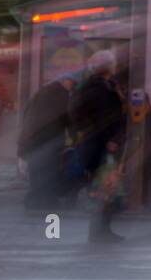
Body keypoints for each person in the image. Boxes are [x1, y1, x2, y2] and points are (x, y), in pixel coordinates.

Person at [69, 50, 127, 242]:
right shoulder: (100, 90)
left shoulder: (90, 87)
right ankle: (99, 233)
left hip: (94, 144)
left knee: (103, 189)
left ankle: (101, 231)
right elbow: (106, 119)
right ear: (109, 67)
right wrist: (111, 140)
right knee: (105, 189)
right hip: (101, 146)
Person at [18, 60, 78, 210]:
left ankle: (35, 200)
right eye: (72, 83)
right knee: (47, 171)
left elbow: (26, 112)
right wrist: (74, 135)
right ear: (65, 80)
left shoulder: (42, 91)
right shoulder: (61, 93)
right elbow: (66, 118)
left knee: (36, 170)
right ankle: (46, 202)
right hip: (47, 140)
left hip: (31, 139)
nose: (72, 87)